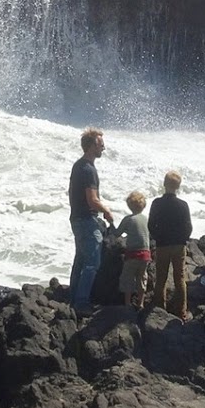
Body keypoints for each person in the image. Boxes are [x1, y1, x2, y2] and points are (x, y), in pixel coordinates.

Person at [68, 127, 113, 315]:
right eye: (101, 144)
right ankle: (82, 302)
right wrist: (107, 211)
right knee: (92, 262)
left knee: (80, 259)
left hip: (77, 217)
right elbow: (92, 200)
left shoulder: (79, 165)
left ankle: (73, 297)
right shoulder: (88, 170)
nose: (103, 147)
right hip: (87, 219)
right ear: (92, 145)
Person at [148, 170, 193, 320]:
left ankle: (160, 308)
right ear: (178, 187)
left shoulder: (157, 203)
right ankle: (182, 311)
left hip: (162, 244)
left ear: (164, 184)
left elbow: (150, 225)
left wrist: (157, 237)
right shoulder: (183, 205)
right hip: (179, 245)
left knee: (160, 277)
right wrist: (184, 239)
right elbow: (188, 227)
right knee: (179, 278)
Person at [116, 191, 152, 309]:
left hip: (132, 254)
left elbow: (117, 233)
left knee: (128, 278)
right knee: (142, 278)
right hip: (145, 254)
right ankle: (140, 303)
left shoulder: (128, 219)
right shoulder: (146, 219)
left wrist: (111, 224)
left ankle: (127, 303)